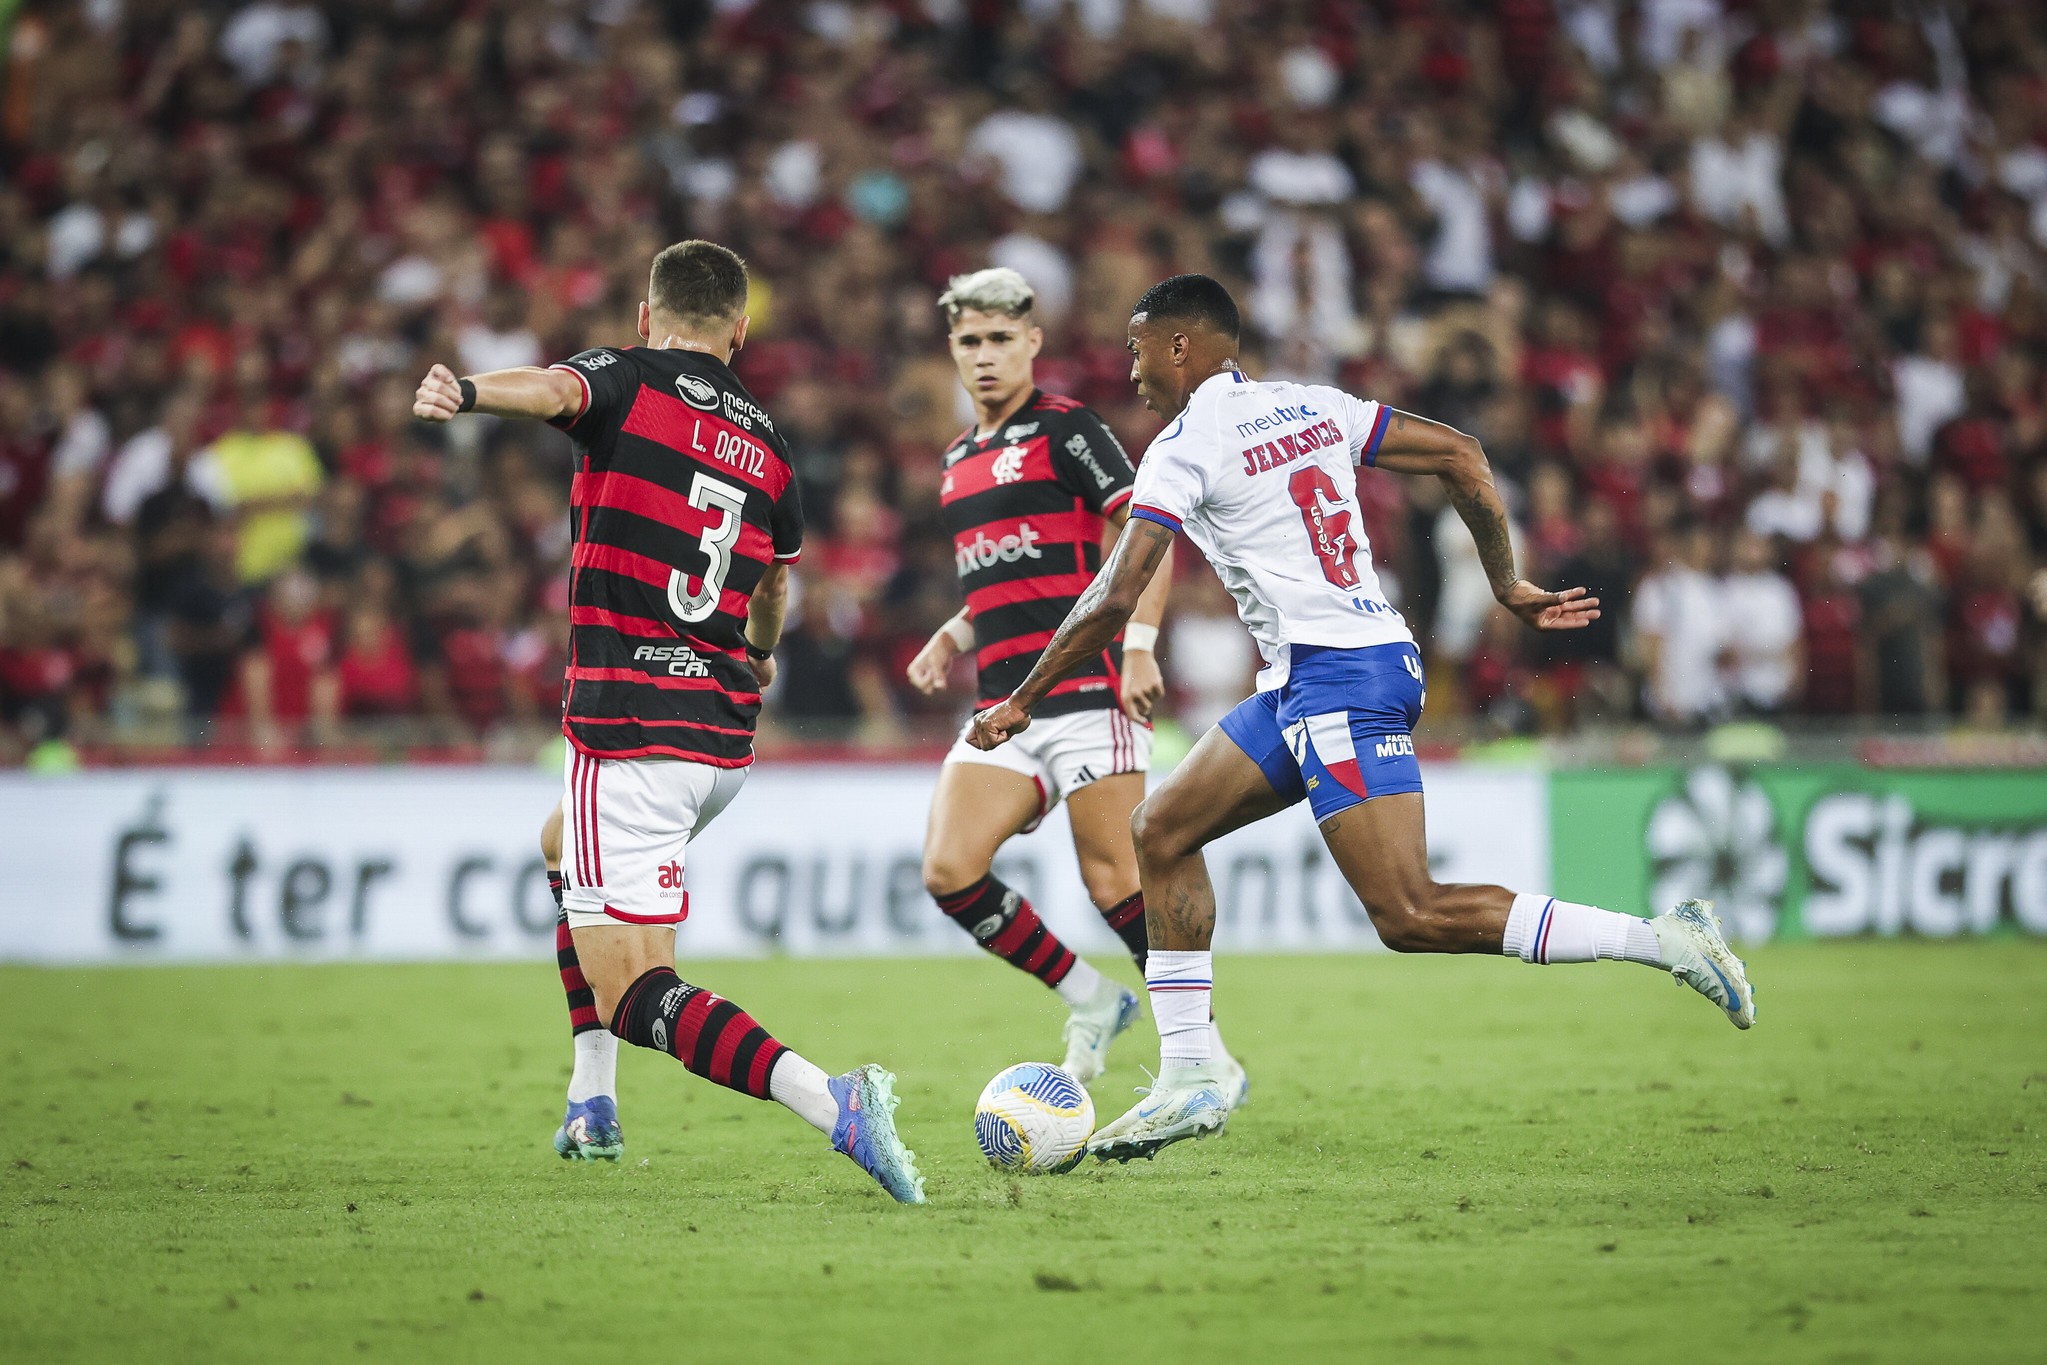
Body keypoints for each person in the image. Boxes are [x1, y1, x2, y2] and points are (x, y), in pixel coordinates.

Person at [968, 275, 1756, 1164]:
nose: (1132, 366)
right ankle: (1190, 1073)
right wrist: (1505, 581)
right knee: (1160, 829)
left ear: (1182, 345)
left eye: (1138, 346)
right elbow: (1461, 454)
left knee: (1408, 911)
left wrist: (1021, 700)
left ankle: (1662, 938)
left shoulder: (1181, 446)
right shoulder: (1312, 403)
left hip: (1339, 679)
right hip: (1326, 669)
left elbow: (1115, 594)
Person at [412, 240, 923, 1202]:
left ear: (647, 318)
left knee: (637, 992)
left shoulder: (627, 379)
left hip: (630, 728)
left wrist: (469, 392)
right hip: (720, 739)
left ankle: (833, 1100)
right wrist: (759, 654)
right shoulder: (770, 445)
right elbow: (774, 586)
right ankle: (591, 1098)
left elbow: (553, 390)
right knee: (562, 844)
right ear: (740, 330)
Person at [902, 267, 1243, 1096]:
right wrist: (952, 632)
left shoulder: (1067, 430)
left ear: (1031, 343)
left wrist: (1138, 642)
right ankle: (1092, 999)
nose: (984, 357)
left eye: (998, 340)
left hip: (1088, 691)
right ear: (952, 349)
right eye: (968, 341)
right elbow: (1002, 578)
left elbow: (1145, 535)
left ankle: (1206, 1058)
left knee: (1115, 883)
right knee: (949, 870)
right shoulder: (956, 459)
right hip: (1001, 704)